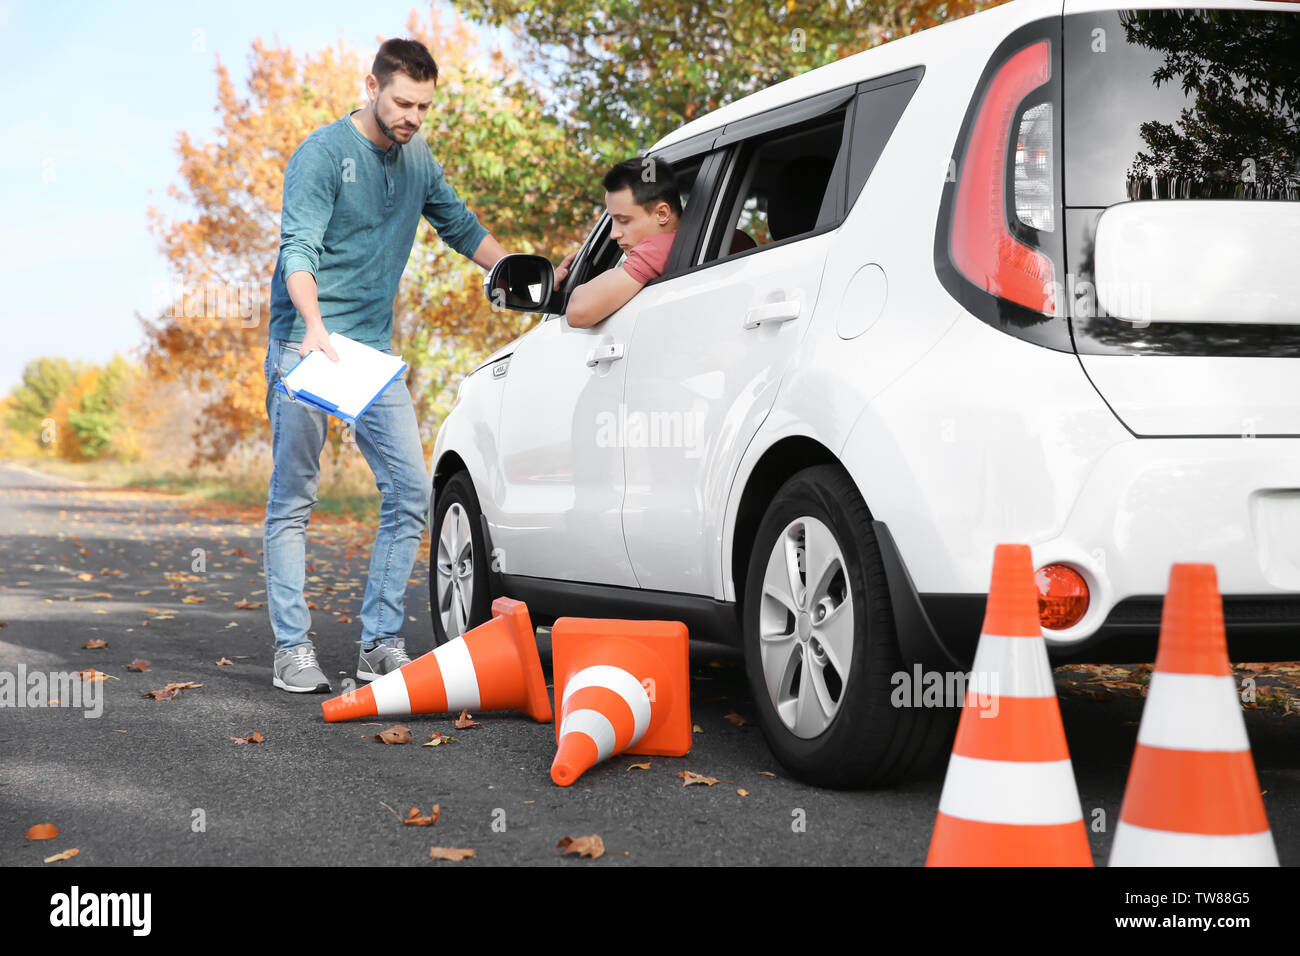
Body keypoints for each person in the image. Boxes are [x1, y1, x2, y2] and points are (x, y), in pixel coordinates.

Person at [263, 38, 508, 693]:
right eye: (403, 102)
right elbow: (299, 251)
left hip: (371, 354)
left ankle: (378, 643)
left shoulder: (417, 156)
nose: (413, 117)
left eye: (424, 106)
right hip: (308, 346)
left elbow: (458, 225)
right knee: (293, 503)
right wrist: (313, 327)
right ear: (372, 84)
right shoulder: (322, 156)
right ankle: (292, 650)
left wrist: (518, 271)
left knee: (410, 493)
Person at [559, 157, 681, 328]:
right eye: (612, 221)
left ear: (661, 214)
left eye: (623, 220)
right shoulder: (697, 240)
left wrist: (566, 288)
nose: (613, 234)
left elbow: (578, 312)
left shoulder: (657, 248)